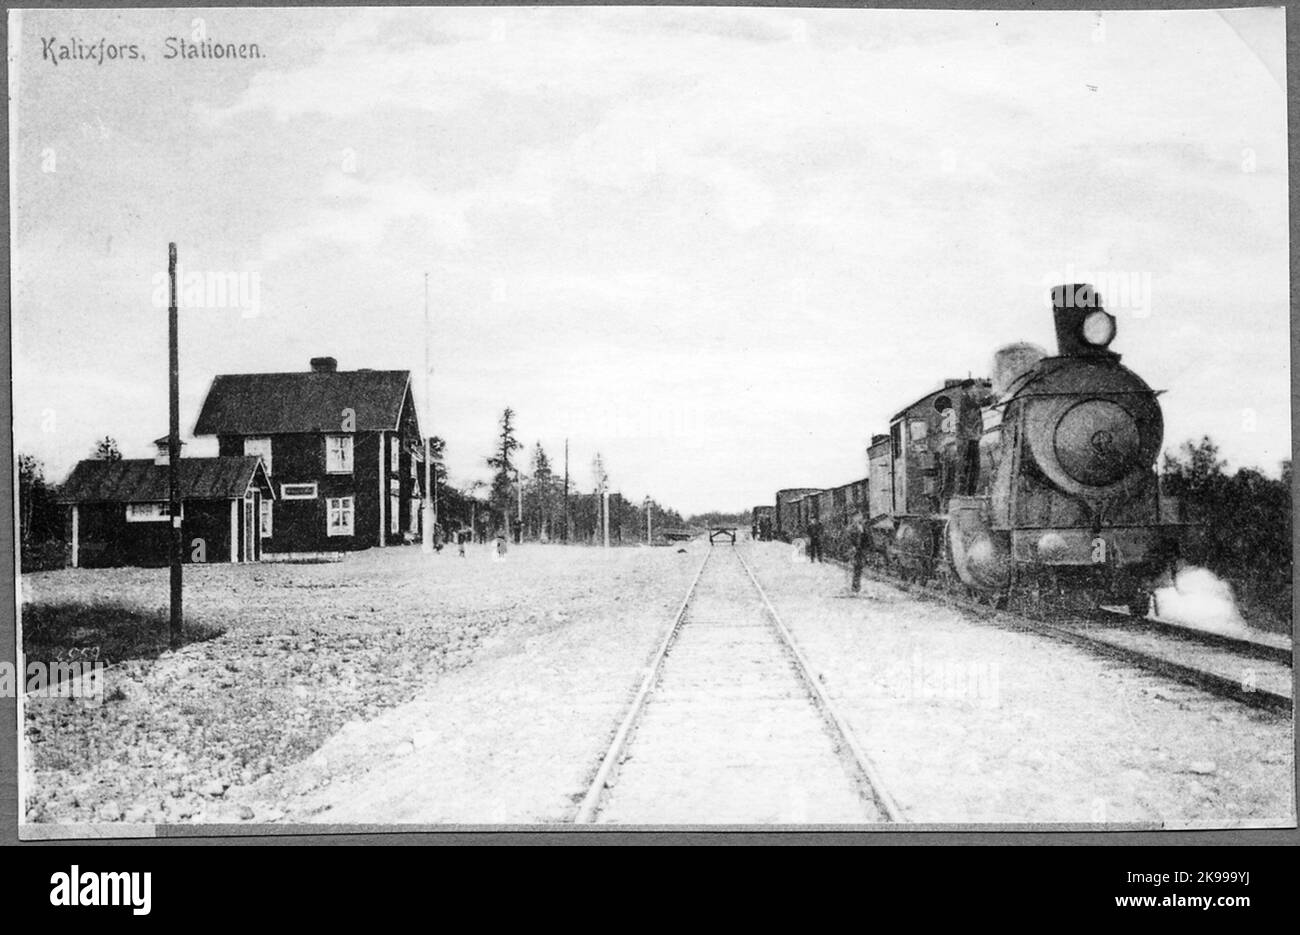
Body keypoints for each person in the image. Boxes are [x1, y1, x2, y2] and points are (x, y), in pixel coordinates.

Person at [850, 513, 870, 592]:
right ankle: (855, 587)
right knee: (856, 568)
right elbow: (848, 538)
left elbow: (867, 538)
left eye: (860, 517)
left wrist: (867, 548)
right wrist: (852, 546)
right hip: (855, 551)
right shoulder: (852, 528)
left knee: (859, 568)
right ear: (854, 518)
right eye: (857, 517)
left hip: (862, 550)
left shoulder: (864, 527)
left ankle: (856, 586)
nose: (859, 519)